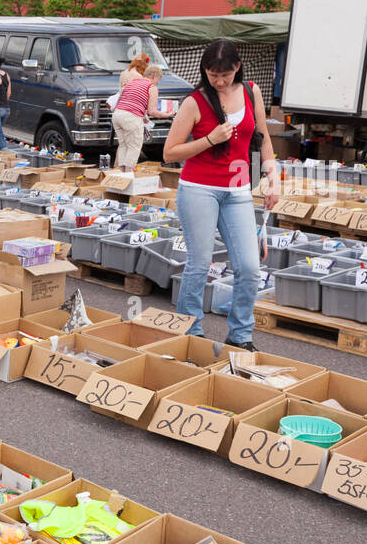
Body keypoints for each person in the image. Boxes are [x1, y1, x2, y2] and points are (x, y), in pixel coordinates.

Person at [163, 39, 279, 350]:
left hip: (238, 190)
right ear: (204, 71)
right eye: (213, 74)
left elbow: (263, 137)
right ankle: (191, 331)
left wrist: (272, 174)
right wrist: (209, 140)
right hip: (199, 189)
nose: (219, 81)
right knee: (199, 263)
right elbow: (170, 152)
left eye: (225, 74)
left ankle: (240, 335)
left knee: (249, 267)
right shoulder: (195, 102)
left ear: (237, 67)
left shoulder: (252, 91)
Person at [112, 64, 168, 171]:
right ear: (154, 76)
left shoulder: (132, 82)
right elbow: (152, 111)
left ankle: (120, 175)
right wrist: (168, 114)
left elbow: (124, 98)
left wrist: (143, 115)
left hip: (117, 114)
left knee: (123, 145)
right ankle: (128, 176)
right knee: (134, 147)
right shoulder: (151, 87)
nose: (157, 82)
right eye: (158, 79)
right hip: (131, 117)